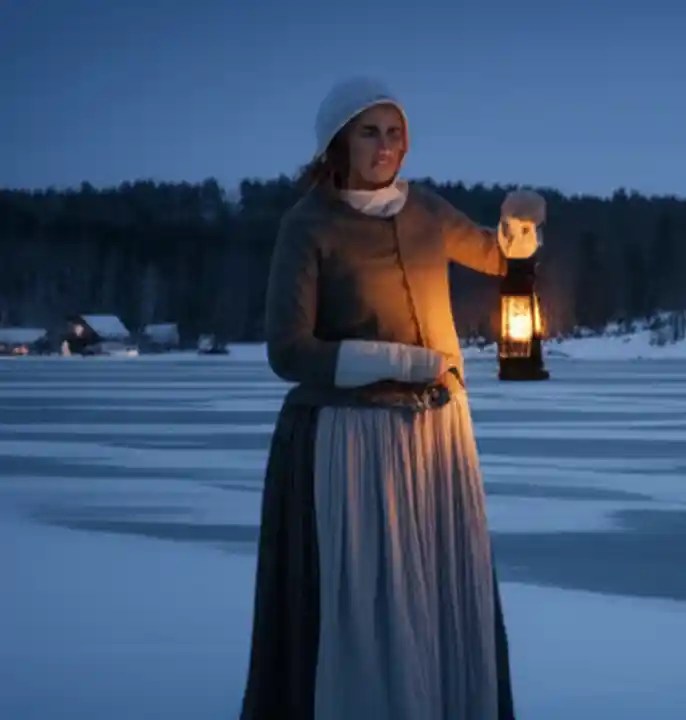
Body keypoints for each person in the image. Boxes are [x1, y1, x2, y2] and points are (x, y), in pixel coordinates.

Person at [240, 76, 543, 720]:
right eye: (369, 131)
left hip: (437, 440)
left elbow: (496, 257)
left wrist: (518, 227)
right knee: (372, 596)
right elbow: (286, 350)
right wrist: (393, 362)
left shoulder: (426, 210)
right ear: (337, 143)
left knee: (435, 591)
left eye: (395, 132)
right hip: (354, 448)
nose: (385, 146)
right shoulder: (310, 224)